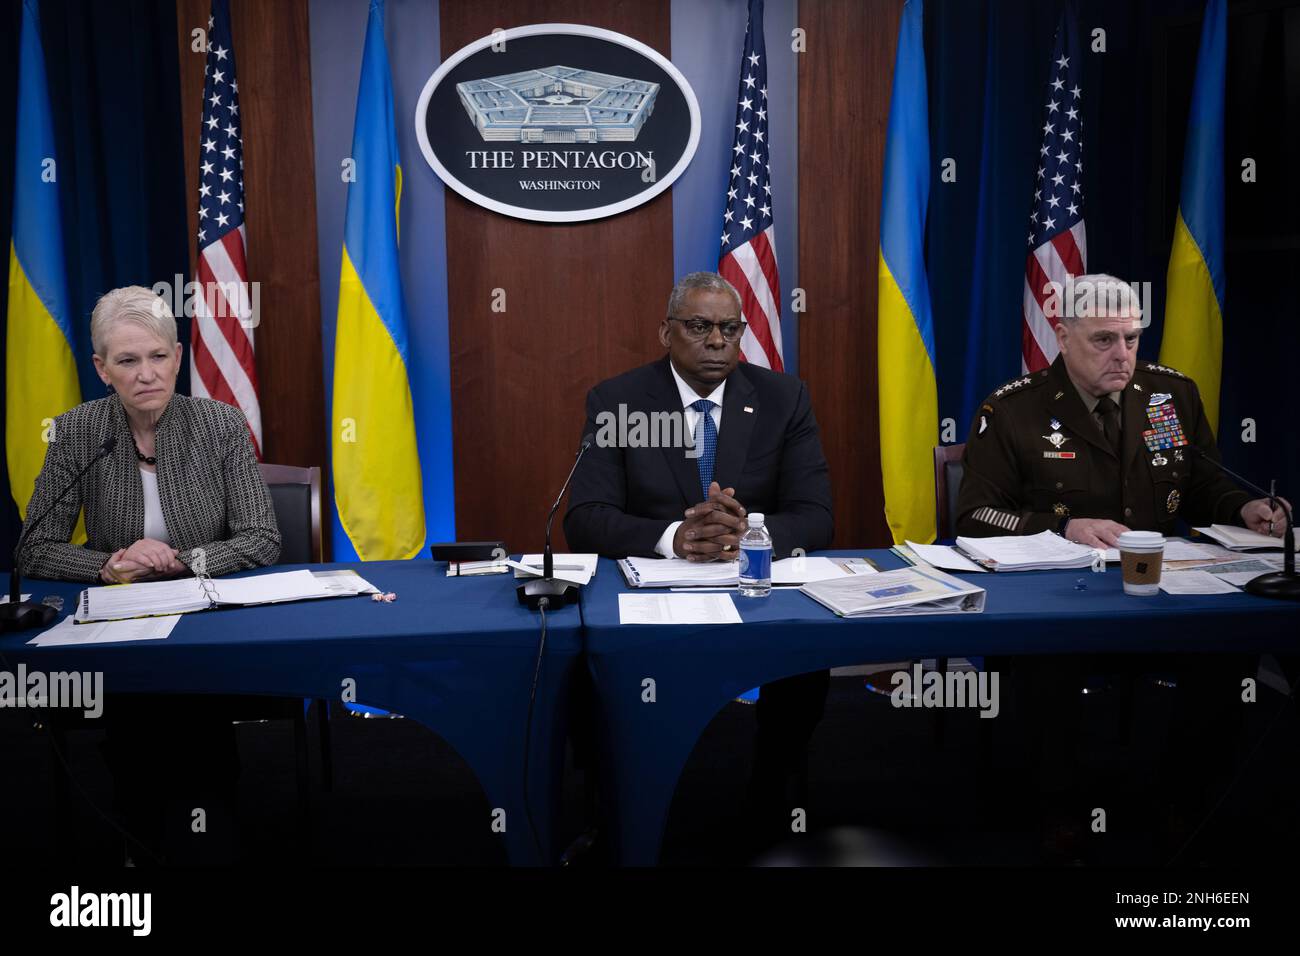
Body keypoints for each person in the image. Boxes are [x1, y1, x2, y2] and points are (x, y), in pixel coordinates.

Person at [955, 274, 1285, 861]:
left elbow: (1204, 484)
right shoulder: (1013, 409)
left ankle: (1185, 800)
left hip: (1162, 594)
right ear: (1063, 337)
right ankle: (1058, 809)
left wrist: (1244, 508)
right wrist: (1061, 526)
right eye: (1104, 340)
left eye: (1131, 339)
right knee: (1045, 661)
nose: (1123, 356)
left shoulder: (1170, 395)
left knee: (1228, 649)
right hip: (1062, 600)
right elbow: (976, 516)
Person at [564, 271, 834, 845]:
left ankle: (773, 798)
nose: (717, 341)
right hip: (649, 599)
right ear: (666, 332)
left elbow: (816, 516)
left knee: (807, 653)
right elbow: (584, 518)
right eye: (699, 326)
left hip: (754, 592)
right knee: (586, 662)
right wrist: (675, 538)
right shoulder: (618, 401)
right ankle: (610, 805)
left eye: (730, 329)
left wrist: (746, 533)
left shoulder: (784, 399)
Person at [17, 285, 281, 864]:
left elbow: (262, 539)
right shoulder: (76, 432)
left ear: (178, 356)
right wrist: (107, 565)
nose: (146, 374)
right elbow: (33, 548)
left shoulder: (219, 423)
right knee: (139, 715)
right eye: (127, 360)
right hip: (121, 618)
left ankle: (206, 830)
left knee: (196, 713)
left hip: (206, 616)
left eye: (158, 356)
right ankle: (144, 834)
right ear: (101, 368)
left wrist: (184, 560)